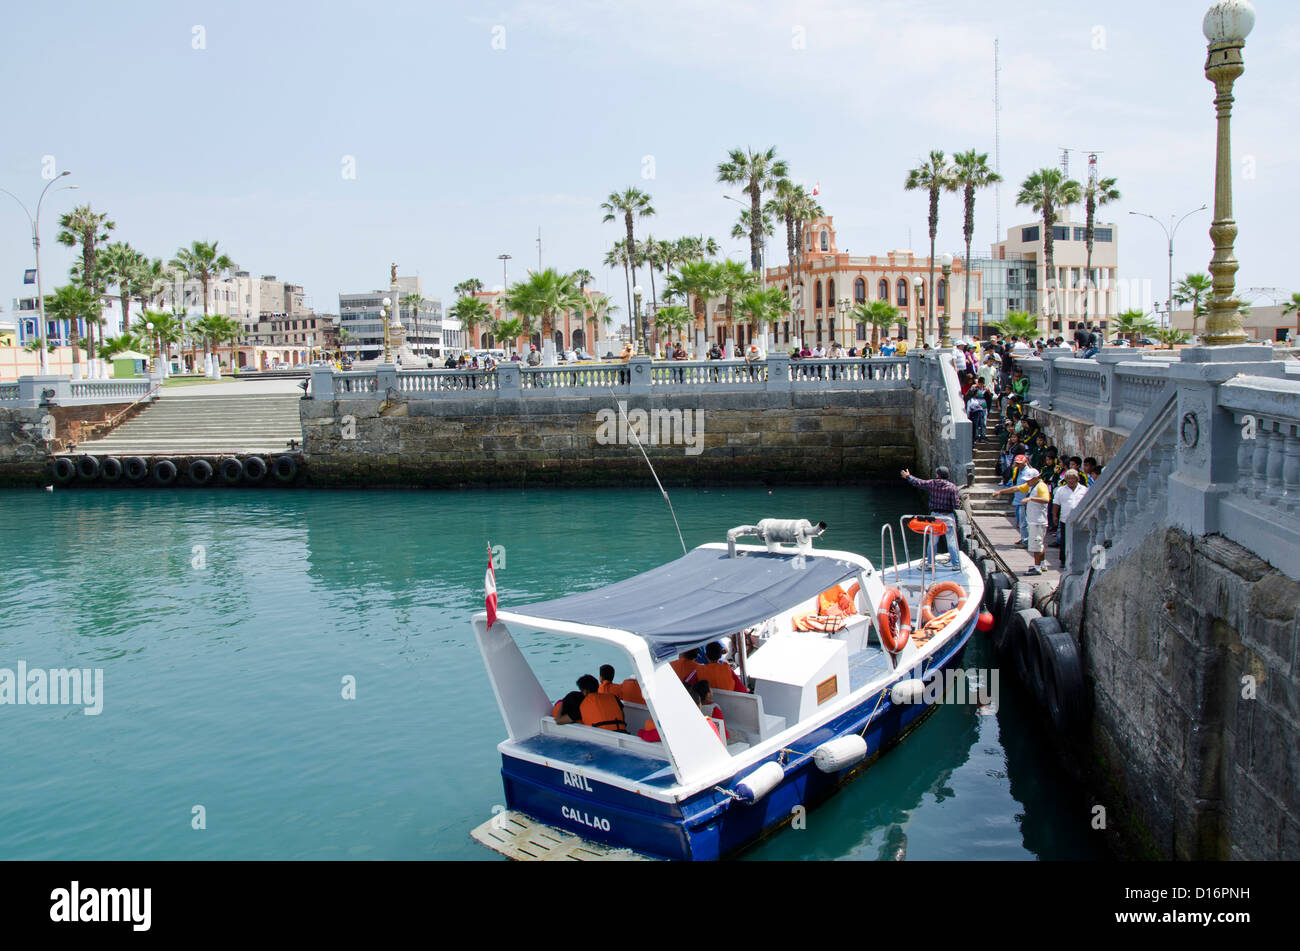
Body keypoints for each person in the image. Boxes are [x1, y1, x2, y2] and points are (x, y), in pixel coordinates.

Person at [900, 466, 962, 572]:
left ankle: (930, 564)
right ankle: (956, 565)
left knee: (932, 542)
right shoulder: (952, 487)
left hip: (935, 517)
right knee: (951, 542)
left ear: (938, 475)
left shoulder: (932, 483)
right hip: (948, 517)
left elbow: (918, 483)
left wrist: (908, 476)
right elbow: (956, 505)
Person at [993, 466, 1051, 574]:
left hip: (1037, 521)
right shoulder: (1031, 486)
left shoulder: (1041, 487)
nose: (1027, 482)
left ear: (1036, 478)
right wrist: (1001, 492)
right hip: (1034, 520)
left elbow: (1046, 499)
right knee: (1039, 544)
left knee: (1035, 545)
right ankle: (1042, 564)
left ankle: (1037, 568)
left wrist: (1030, 498)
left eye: (1029, 480)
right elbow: (1016, 488)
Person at [1051, 469, 1088, 569]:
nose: (1071, 481)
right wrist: (1054, 516)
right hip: (1065, 519)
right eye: (1069, 479)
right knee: (1064, 540)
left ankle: (1078, 558)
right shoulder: (1061, 490)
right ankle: (1063, 560)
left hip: (1080, 519)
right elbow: (1056, 504)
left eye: (1073, 479)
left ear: (1077, 479)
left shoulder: (1084, 490)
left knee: (1079, 539)